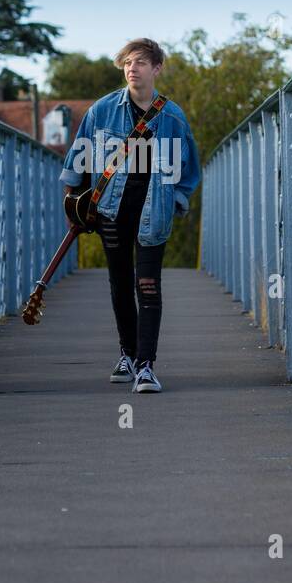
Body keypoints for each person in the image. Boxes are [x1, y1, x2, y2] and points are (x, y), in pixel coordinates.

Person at [59, 38, 201, 393]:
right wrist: (73, 204)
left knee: (148, 285)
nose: (131, 69)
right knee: (121, 283)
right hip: (111, 212)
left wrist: (176, 201)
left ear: (157, 69)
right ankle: (127, 353)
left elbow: (190, 169)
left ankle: (146, 366)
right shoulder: (102, 111)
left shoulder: (172, 117)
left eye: (139, 62)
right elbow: (78, 159)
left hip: (154, 213)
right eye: (126, 63)